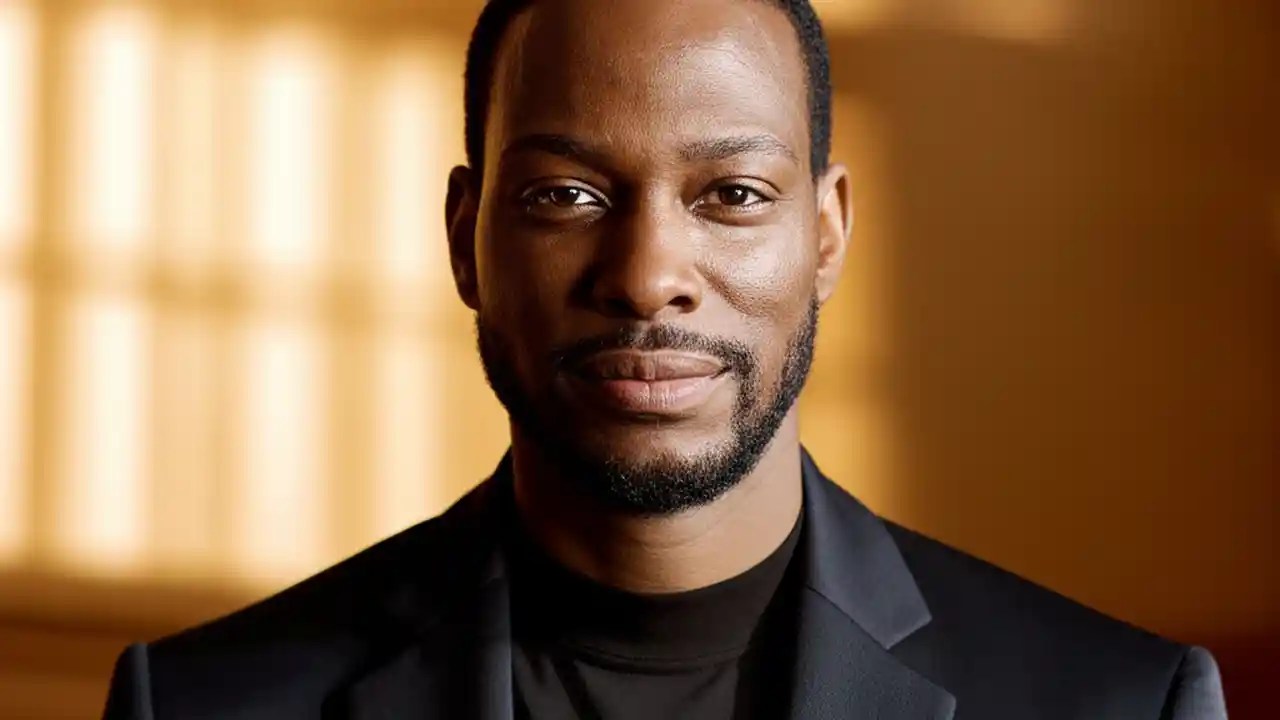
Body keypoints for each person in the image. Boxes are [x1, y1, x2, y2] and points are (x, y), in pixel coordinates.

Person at [102, 0, 1228, 717]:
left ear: (827, 236)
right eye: (565, 196)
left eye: (731, 194)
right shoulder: (201, 702)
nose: (646, 277)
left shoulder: (1120, 704)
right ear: (464, 239)